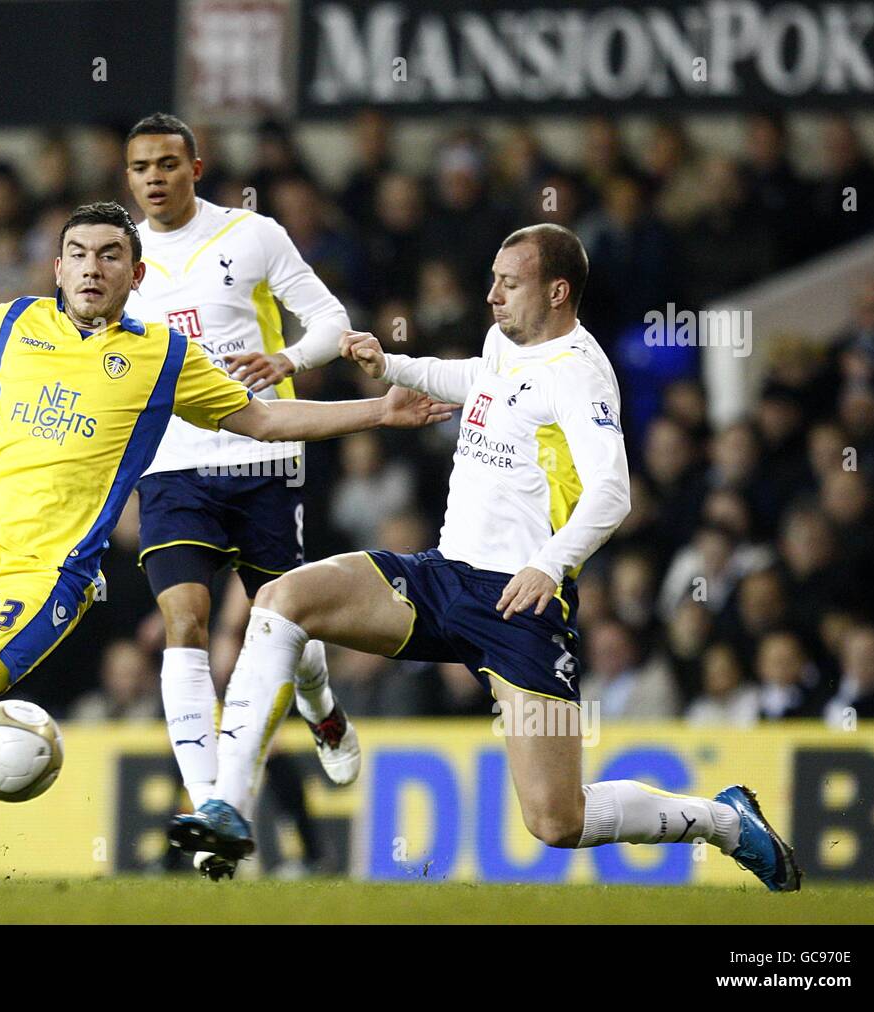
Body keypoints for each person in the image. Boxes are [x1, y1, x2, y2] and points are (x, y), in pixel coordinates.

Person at [0, 201, 452, 881]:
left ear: (136, 274)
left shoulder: (162, 355)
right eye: (78, 253)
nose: (91, 266)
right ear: (57, 268)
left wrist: (378, 408)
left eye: (110, 255)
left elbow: (260, 418)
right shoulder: (17, 323)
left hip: (43, 576)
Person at [170, 223, 801, 893]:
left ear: (558, 292)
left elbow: (613, 491)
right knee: (281, 598)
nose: (492, 293)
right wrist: (395, 367)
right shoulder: (507, 342)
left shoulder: (581, 374)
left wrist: (550, 565)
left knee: (557, 819)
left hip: (519, 608)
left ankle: (723, 822)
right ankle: (232, 803)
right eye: (494, 277)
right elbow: (480, 378)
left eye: (510, 281)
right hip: (442, 577)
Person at [123, 113, 359, 880]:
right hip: (172, 466)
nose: (153, 177)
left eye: (166, 162)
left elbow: (332, 322)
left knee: (282, 621)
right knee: (183, 622)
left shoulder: (253, 235)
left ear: (197, 166)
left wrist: (287, 355)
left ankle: (322, 709)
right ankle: (212, 807)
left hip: (263, 455)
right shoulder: (118, 257)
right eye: (138, 168)